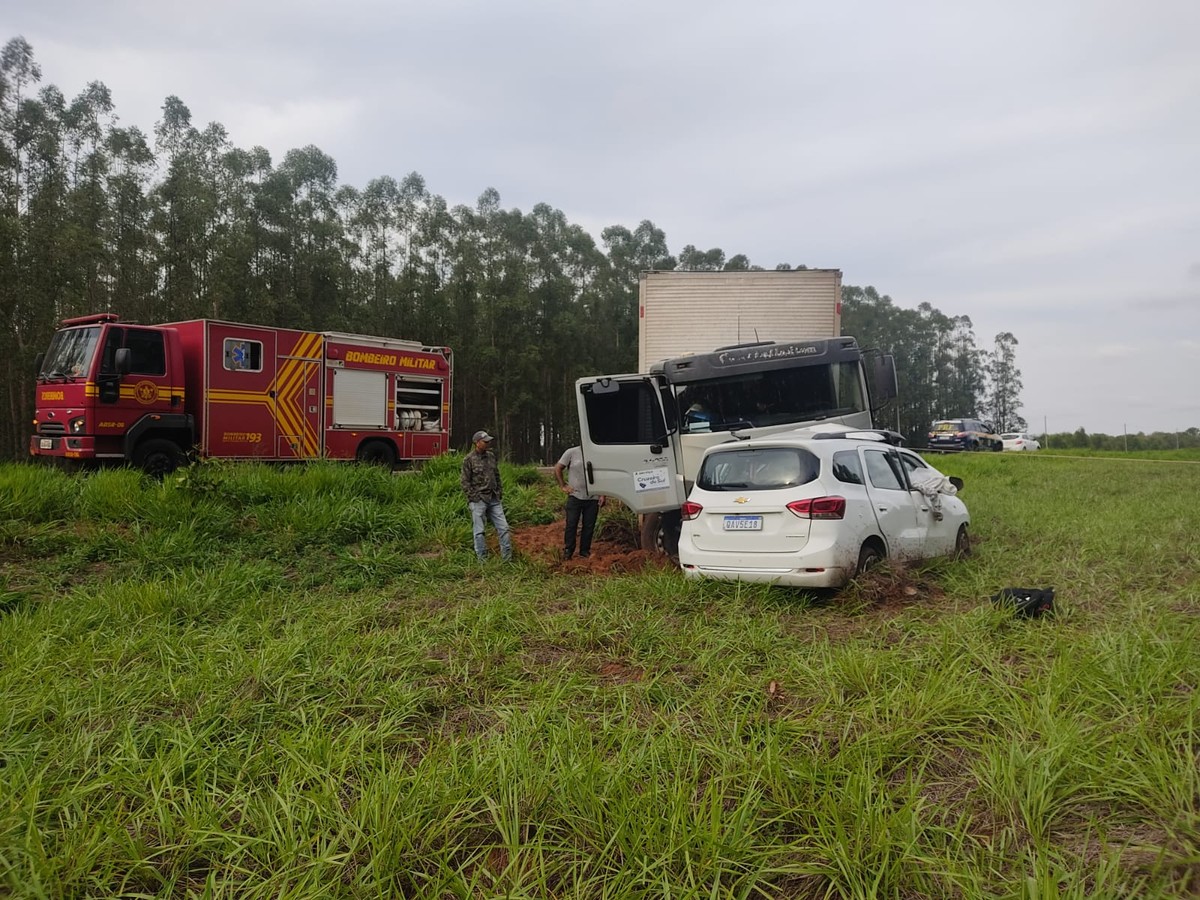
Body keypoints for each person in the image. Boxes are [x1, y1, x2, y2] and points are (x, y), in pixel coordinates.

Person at [461, 430, 512, 561]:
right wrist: (474, 497)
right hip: (478, 500)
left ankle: (507, 559)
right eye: (485, 441)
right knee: (479, 532)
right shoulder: (468, 459)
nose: (488, 443)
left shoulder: (491, 456)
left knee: (504, 528)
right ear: (477, 443)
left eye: (488, 441)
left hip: (494, 498)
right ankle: (482, 560)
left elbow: (496, 475)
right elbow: (465, 481)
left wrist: (499, 491)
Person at [555, 445, 605, 559]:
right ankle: (568, 550)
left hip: (593, 497)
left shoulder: (597, 452)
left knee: (589, 526)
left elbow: (602, 474)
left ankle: (584, 551)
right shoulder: (571, 452)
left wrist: (602, 494)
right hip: (575, 495)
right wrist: (563, 485)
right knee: (571, 524)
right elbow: (558, 468)